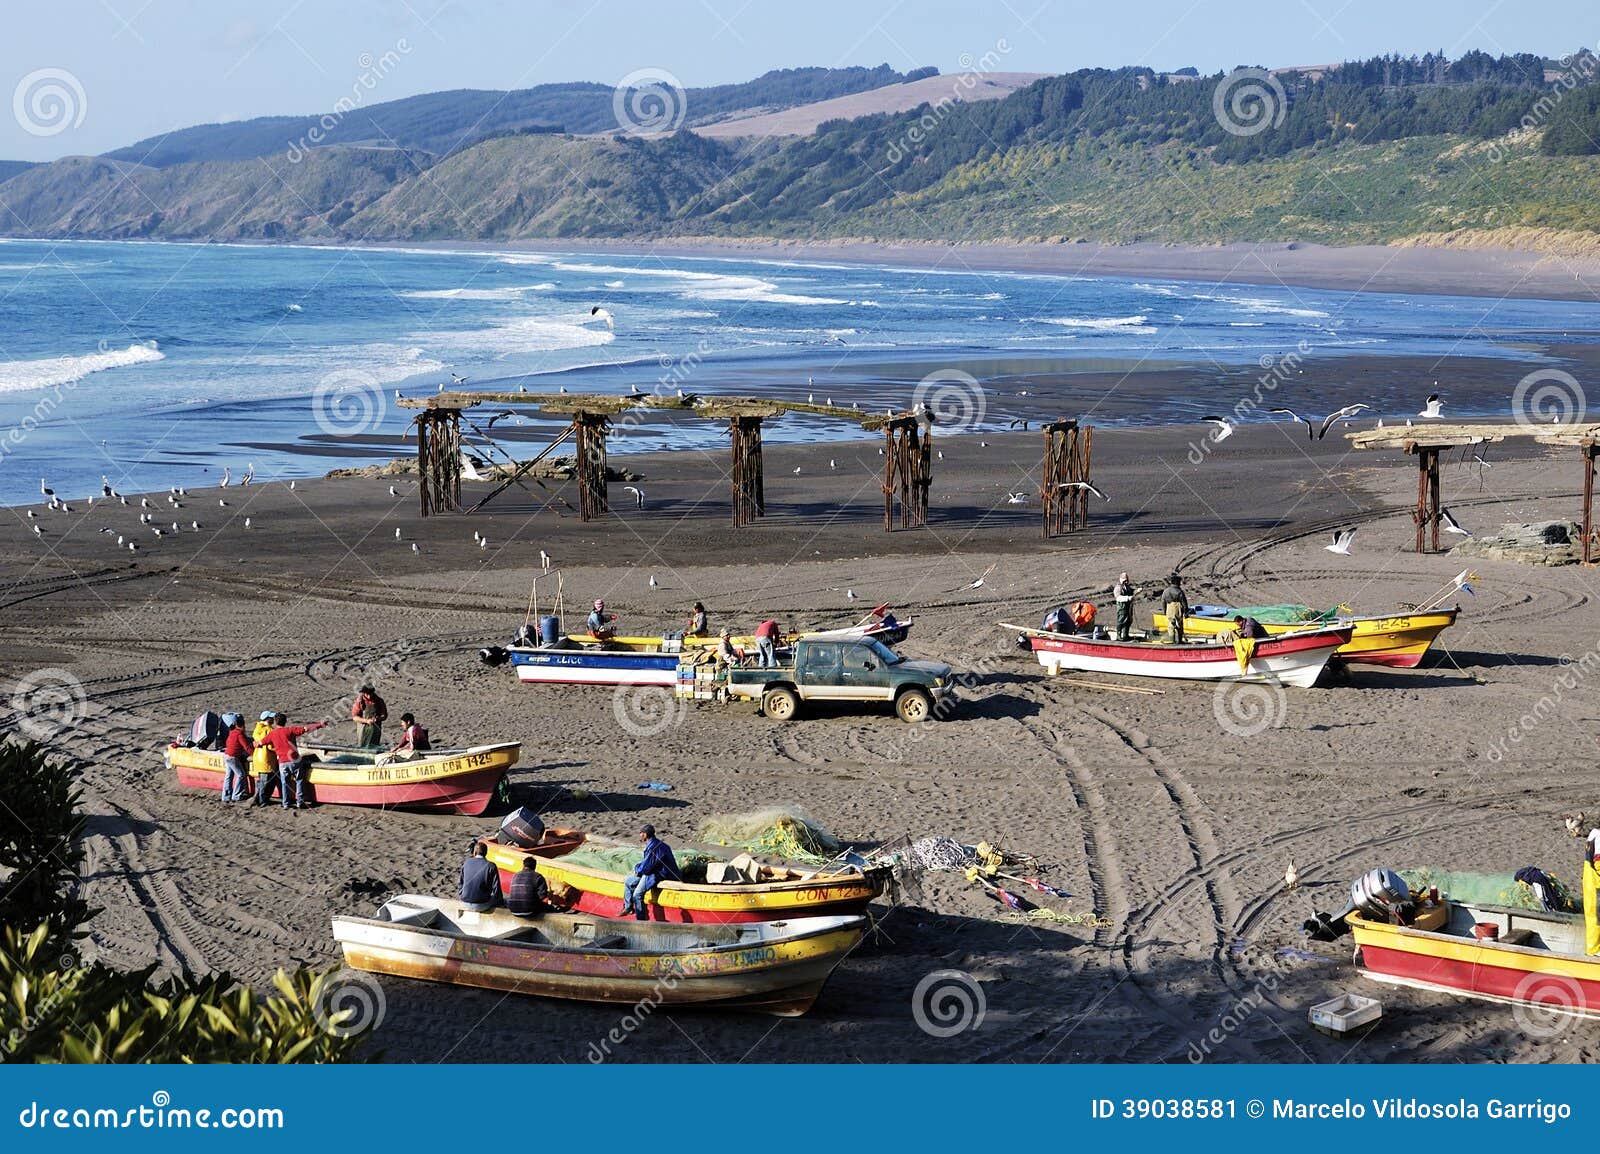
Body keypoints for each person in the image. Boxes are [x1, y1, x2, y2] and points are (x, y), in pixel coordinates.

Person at [263, 713, 328, 810]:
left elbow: (261, 742)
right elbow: (306, 729)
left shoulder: (272, 734)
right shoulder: (290, 730)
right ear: (285, 722)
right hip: (294, 760)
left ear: (276, 722)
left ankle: (286, 803)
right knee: (299, 780)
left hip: (282, 762)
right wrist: (319, 725)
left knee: (284, 783)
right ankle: (300, 801)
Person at [620, 824, 680, 921]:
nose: (640, 835)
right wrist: (637, 869)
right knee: (628, 881)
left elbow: (647, 867)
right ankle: (628, 907)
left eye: (641, 833)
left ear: (645, 835)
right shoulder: (654, 844)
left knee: (637, 894)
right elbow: (647, 863)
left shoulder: (654, 847)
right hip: (653, 871)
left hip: (660, 874)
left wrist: (638, 871)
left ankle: (641, 920)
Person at [459, 842, 502, 912]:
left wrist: (462, 895)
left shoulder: (466, 862)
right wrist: (500, 902)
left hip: (465, 901)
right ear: (486, 853)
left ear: (474, 852)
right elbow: (496, 889)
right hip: (482, 904)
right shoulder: (491, 866)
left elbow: (460, 882)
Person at [220, 714, 252, 803]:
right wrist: (254, 754)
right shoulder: (239, 734)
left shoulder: (232, 732)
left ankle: (226, 796)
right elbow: (246, 746)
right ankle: (236, 795)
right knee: (241, 775)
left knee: (229, 776)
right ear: (243, 726)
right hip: (232, 757)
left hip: (227, 755)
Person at [250, 711, 278, 805]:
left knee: (261, 781)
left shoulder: (257, 729)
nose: (273, 719)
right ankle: (263, 801)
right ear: (268, 719)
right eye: (271, 718)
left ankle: (258, 798)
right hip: (267, 759)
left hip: (257, 758)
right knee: (266, 782)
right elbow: (270, 746)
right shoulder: (269, 730)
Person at [351, 685, 388, 749]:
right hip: (363, 728)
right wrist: (366, 721)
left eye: (370, 694)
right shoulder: (360, 701)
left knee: (374, 746)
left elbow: (384, 715)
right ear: (363, 693)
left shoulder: (379, 701)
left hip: (375, 728)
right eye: (367, 694)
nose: (369, 696)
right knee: (362, 745)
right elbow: (355, 717)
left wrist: (378, 719)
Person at [1161, 573, 1189, 644]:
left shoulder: (1166, 591)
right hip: (1178, 608)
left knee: (1171, 625)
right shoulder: (1179, 592)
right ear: (1177, 582)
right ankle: (1179, 641)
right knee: (1179, 626)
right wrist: (1186, 612)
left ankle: (1172, 640)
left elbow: (1163, 602)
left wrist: (1165, 612)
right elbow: (1184, 603)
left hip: (1169, 608)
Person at [1113, 573, 1136, 641]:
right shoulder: (1118, 587)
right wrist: (1128, 598)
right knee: (1121, 621)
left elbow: (1131, 591)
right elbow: (1118, 598)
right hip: (1122, 608)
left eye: (1127, 580)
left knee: (1128, 621)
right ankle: (1118, 636)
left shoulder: (1127, 586)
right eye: (1124, 580)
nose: (1126, 582)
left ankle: (1126, 635)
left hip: (1128, 607)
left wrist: (1136, 591)